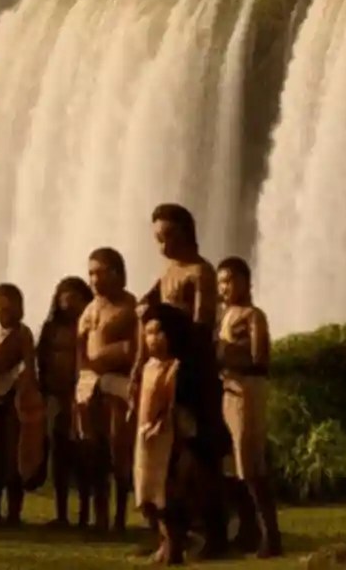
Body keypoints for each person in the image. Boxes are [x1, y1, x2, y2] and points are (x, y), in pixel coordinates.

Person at [135, 204, 230, 558]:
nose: (163, 245)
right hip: (168, 368)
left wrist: (172, 331)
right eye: (158, 239)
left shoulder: (201, 272)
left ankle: (214, 534)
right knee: (167, 455)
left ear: (187, 233)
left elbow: (203, 323)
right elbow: (148, 302)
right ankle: (171, 535)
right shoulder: (169, 271)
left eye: (169, 236)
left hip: (194, 371)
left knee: (198, 454)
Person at [215, 257, 282, 558]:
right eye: (221, 282)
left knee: (250, 463)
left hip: (247, 392)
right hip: (228, 390)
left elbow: (260, 358)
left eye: (229, 280)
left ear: (245, 281)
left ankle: (271, 535)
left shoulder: (254, 316)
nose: (224, 288)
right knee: (232, 463)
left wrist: (226, 354)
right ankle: (246, 529)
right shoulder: (223, 315)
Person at [78, 249, 137, 533]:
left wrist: (112, 355)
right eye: (90, 272)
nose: (94, 278)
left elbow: (136, 348)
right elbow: (80, 344)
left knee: (118, 449)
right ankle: (98, 514)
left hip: (118, 385)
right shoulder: (91, 308)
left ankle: (120, 516)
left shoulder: (129, 307)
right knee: (93, 449)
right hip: (90, 386)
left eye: (99, 271)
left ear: (117, 273)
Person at [135, 303, 193, 566]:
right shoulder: (148, 367)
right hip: (144, 438)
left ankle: (174, 546)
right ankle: (163, 543)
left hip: (165, 438)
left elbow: (173, 403)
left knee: (166, 495)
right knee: (146, 494)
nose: (153, 339)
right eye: (148, 333)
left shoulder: (175, 367)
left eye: (159, 332)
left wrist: (164, 424)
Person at [37, 276, 94, 528]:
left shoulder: (90, 325)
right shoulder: (51, 328)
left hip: (83, 394)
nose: (68, 302)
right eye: (63, 297)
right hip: (57, 396)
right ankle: (61, 513)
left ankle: (85, 513)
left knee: (85, 455)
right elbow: (42, 359)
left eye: (74, 297)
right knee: (59, 454)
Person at [0, 282, 41, 525]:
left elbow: (29, 367)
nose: (1, 312)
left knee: (12, 458)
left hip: (12, 401)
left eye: (7, 307)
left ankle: (14, 512)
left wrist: (23, 392)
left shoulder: (21, 334)